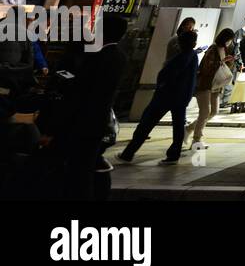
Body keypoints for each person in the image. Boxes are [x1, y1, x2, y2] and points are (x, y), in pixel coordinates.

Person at [53, 13, 129, 199]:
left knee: (79, 170)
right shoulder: (119, 56)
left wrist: (67, 80)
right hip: (97, 120)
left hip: (85, 120)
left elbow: (83, 89)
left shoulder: (101, 56)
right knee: (86, 166)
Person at [119, 30, 199, 165]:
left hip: (166, 96)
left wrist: (162, 85)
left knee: (147, 123)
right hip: (181, 98)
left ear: (180, 42)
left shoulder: (183, 57)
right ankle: (173, 155)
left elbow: (169, 76)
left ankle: (129, 152)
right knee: (177, 127)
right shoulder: (192, 56)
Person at [187, 28, 236, 150]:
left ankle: (188, 129)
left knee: (214, 111)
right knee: (204, 112)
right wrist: (222, 62)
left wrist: (227, 62)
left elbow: (223, 67)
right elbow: (206, 68)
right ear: (225, 39)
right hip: (205, 84)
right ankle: (196, 140)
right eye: (230, 39)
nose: (230, 42)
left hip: (215, 86)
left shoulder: (224, 49)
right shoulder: (212, 49)